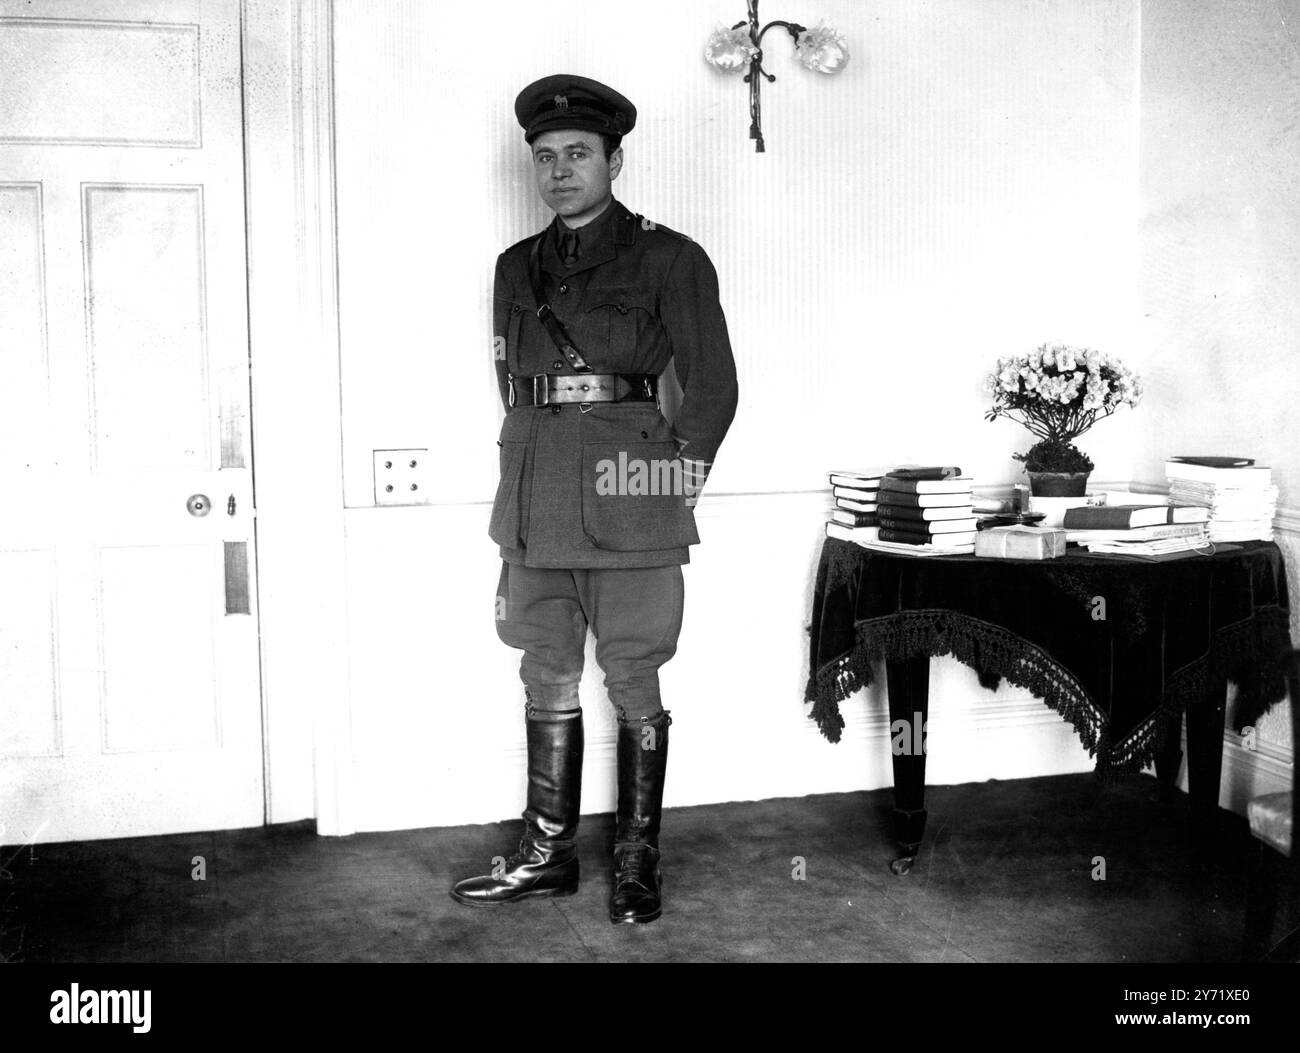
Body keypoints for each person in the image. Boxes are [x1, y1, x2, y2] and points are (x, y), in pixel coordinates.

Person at [450, 74, 739, 924]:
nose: (559, 170)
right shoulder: (515, 267)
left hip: (632, 499)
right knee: (544, 665)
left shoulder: (669, 256)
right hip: (535, 496)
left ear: (614, 159)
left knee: (634, 670)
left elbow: (713, 391)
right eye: (545, 157)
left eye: (577, 154)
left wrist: (666, 489)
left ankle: (637, 860)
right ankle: (546, 853)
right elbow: (513, 381)